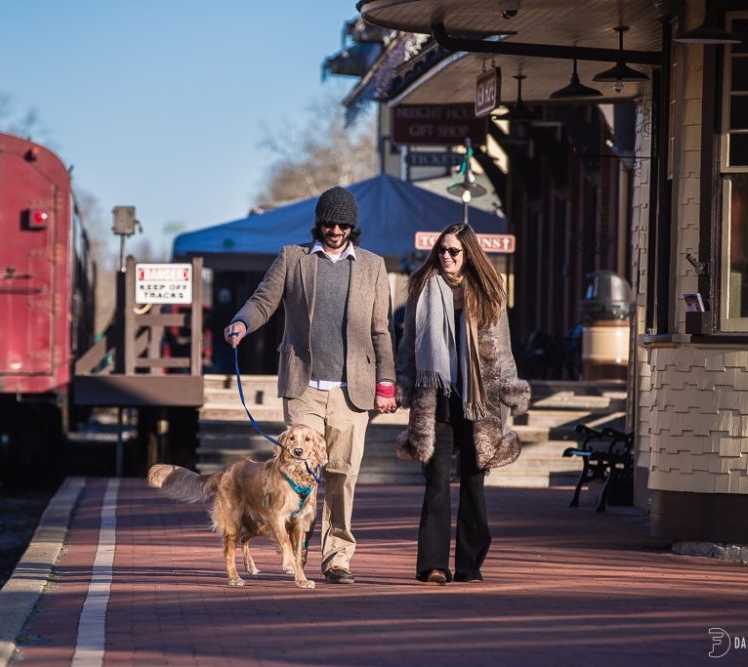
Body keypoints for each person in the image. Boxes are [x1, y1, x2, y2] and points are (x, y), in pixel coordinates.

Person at [223, 185, 397, 585]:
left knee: (341, 473)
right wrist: (242, 322)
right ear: (319, 223)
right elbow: (263, 300)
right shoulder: (294, 258)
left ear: (353, 227)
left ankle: (337, 557)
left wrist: (386, 381)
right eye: (329, 223)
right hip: (304, 385)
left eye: (343, 224)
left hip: (353, 390)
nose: (335, 230)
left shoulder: (372, 265)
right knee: (297, 468)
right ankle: (297, 547)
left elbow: (381, 330)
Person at [395, 223, 530, 585]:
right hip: (435, 398)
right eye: (442, 250)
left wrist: (511, 389)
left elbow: (503, 350)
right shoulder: (423, 290)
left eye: (454, 251)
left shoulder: (489, 293)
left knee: (473, 484)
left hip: (479, 401)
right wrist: (402, 385)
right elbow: (408, 345)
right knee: (436, 482)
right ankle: (434, 565)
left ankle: (470, 565)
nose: (447, 257)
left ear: (468, 253)